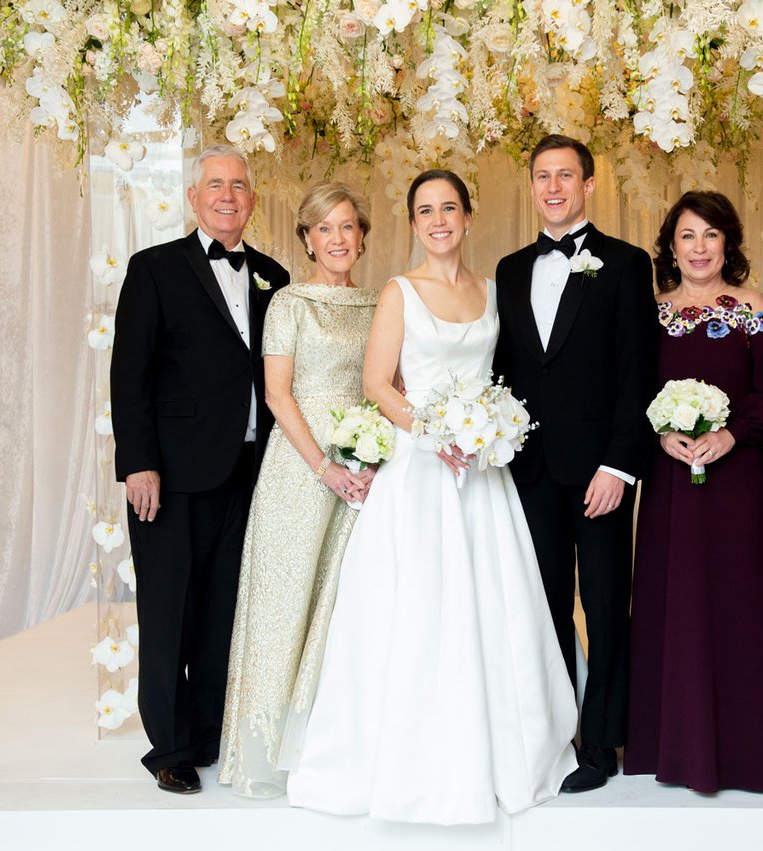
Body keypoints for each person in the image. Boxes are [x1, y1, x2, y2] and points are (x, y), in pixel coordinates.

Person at [285, 170, 577, 824]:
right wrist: (436, 432)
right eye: (425, 210)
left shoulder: (494, 291)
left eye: (449, 207)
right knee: (414, 606)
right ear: (413, 223)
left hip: (483, 472)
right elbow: (378, 383)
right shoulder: (398, 292)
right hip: (421, 470)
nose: (438, 219)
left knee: (492, 603)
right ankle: (406, 762)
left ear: (468, 217)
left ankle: (506, 750)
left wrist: (486, 428)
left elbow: (502, 376)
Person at [110, 145, 289, 794]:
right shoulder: (154, 269)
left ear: (252, 199)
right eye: (216, 185)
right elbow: (129, 376)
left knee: (225, 613)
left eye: (240, 186)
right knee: (170, 613)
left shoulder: (274, 274)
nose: (228, 195)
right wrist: (139, 464)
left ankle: (212, 732)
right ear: (193, 196)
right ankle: (171, 747)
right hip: (172, 475)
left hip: (250, 471)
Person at [493, 134, 658, 792]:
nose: (554, 186)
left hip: (600, 474)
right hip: (528, 470)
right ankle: (556, 730)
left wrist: (619, 467)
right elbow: (504, 369)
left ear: (590, 184)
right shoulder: (507, 269)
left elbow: (637, 373)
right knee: (545, 606)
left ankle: (602, 742)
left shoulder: (624, 264)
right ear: (531, 186)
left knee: (606, 601)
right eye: (542, 176)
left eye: (566, 175)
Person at [624, 191, 763, 793]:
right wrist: (661, 434)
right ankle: (672, 745)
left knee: (737, 600)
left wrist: (731, 434)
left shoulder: (755, 308)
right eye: (687, 236)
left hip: (735, 483)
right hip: (672, 483)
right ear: (671, 246)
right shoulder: (652, 313)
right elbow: (634, 396)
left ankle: (749, 751)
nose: (699, 248)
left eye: (711, 236)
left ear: (729, 244)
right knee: (676, 602)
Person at [217, 183, 379, 798]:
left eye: (347, 226)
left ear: (362, 235)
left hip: (364, 464)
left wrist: (370, 458)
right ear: (307, 238)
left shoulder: (378, 301)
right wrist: (325, 467)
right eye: (324, 228)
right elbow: (278, 395)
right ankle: (268, 746)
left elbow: (386, 384)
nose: (337, 239)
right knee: (288, 599)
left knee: (345, 602)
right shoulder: (287, 303)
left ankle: (332, 747)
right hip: (301, 466)